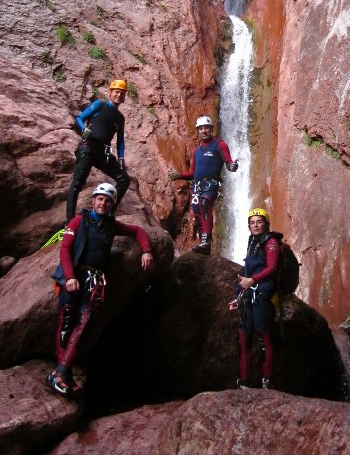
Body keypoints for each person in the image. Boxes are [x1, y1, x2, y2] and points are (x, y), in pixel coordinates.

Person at [47, 182, 154, 398]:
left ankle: (61, 372)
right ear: (93, 201)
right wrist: (70, 277)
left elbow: (137, 230)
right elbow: (65, 249)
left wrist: (146, 250)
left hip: (93, 280)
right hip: (74, 276)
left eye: (107, 201)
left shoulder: (111, 225)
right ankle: (61, 374)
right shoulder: (78, 221)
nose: (103, 203)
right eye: (100, 199)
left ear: (112, 205)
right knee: (67, 321)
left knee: (84, 324)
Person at [168, 115, 238, 252]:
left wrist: (232, 166)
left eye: (206, 128)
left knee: (204, 203)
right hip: (197, 185)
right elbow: (192, 173)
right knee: (196, 211)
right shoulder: (196, 151)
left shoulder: (219, 145)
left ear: (211, 129)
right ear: (198, 131)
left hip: (211, 184)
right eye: (201, 129)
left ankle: (207, 240)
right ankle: (203, 244)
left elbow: (229, 162)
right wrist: (179, 176)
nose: (204, 131)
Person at [66, 80, 131, 222]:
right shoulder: (99, 105)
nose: (119, 95)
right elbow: (79, 118)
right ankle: (69, 222)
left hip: (103, 153)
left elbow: (120, 140)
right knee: (77, 183)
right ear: (111, 92)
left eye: (122, 93)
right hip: (88, 147)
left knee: (124, 179)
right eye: (117, 92)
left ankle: (107, 215)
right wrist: (83, 128)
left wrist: (121, 158)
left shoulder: (120, 118)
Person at [235, 207, 279, 390]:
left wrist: (253, 280)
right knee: (244, 338)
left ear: (266, 224)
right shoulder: (251, 242)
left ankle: (267, 380)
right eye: (252, 222)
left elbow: (272, 268)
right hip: (249, 294)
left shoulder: (271, 242)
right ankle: (244, 380)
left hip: (263, 293)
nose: (255, 225)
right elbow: (245, 273)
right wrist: (238, 296)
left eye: (259, 222)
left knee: (263, 337)